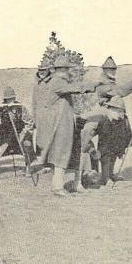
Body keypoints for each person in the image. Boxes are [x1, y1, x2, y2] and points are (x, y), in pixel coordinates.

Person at [37, 56, 98, 196]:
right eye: (67, 69)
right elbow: (75, 88)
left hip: (66, 124)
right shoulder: (57, 82)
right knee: (61, 155)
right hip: (61, 126)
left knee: (72, 153)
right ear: (62, 70)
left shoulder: (58, 81)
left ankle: (75, 184)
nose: (68, 72)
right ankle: (57, 187)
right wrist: (92, 85)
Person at [79, 56, 132, 182]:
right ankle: (104, 176)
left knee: (116, 146)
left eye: (114, 69)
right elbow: (119, 92)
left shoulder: (111, 81)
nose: (112, 71)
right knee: (106, 147)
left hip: (116, 115)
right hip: (106, 115)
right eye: (109, 69)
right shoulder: (103, 83)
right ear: (104, 70)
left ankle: (110, 174)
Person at [0, 86, 35, 175]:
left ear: (14, 98)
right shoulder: (2, 108)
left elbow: (30, 122)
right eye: (8, 99)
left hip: (20, 131)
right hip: (7, 132)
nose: (10, 101)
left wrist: (24, 134)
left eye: (11, 99)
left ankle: (28, 167)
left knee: (26, 144)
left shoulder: (20, 107)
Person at [32, 59, 54, 173]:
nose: (42, 72)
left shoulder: (52, 82)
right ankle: (41, 165)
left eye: (44, 70)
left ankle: (50, 164)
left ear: (48, 70)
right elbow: (34, 102)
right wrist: (34, 118)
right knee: (40, 141)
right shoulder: (36, 83)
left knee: (50, 140)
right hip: (40, 117)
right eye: (40, 70)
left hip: (50, 116)